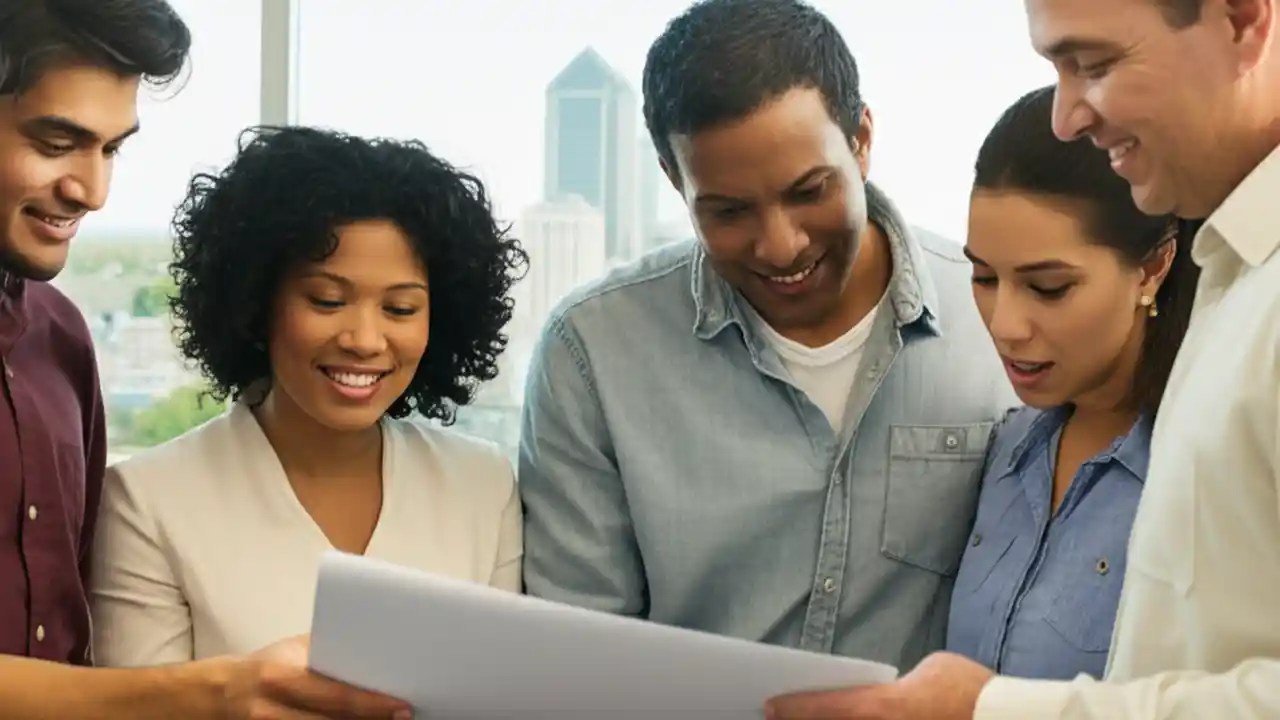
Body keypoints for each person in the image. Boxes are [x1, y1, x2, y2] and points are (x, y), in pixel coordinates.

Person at [765, 0, 1280, 717]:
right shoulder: (1015, 446)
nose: (1067, 117)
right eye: (983, 277)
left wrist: (989, 709)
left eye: (1095, 64)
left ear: (1242, 19)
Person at [519, 0, 1015, 672]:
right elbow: (578, 656)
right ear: (673, 178)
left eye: (809, 192)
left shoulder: (998, 322)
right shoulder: (591, 355)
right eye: (729, 212)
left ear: (862, 140)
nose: (780, 246)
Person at [0, 2, 411, 718]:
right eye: (57, 142)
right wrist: (211, 691)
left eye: (111, 150)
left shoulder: (59, 341)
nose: (92, 191)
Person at [89, 125, 529, 664]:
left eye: (400, 309)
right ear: (257, 304)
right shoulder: (147, 501)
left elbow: (502, 689)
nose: (365, 340)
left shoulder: (483, 486)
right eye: (326, 301)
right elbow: (143, 701)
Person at [946, 85, 1197, 682]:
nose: (1005, 326)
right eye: (984, 277)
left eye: (1048, 288)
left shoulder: (1205, 468)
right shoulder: (1009, 449)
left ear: (1153, 266)